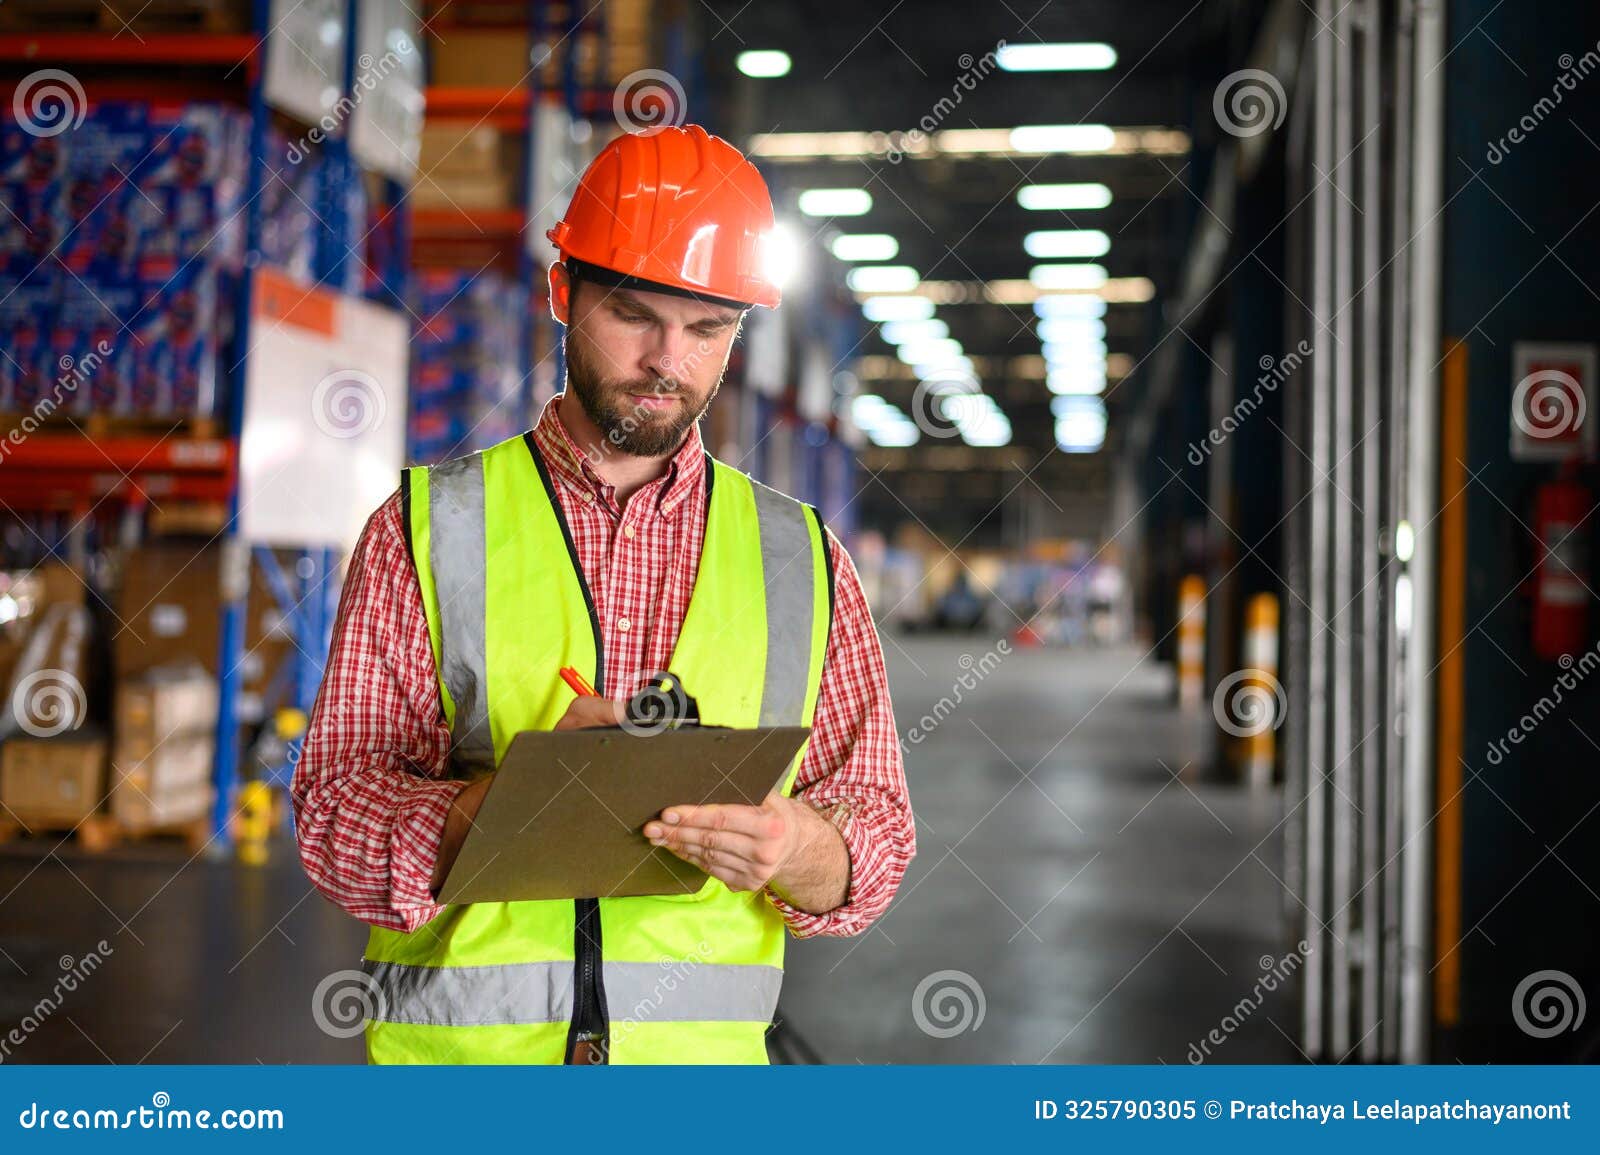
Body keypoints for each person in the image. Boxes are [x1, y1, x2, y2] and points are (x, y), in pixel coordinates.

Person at [292, 124, 916, 1066]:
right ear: (562, 292)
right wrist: (515, 803)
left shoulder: (802, 559)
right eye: (634, 315)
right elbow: (335, 821)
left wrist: (790, 844)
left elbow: (876, 840)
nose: (668, 360)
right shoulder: (425, 529)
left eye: (707, 329)